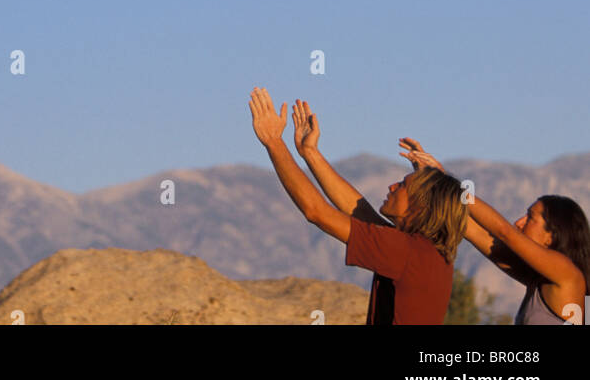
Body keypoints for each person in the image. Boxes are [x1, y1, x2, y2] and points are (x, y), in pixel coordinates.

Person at [249, 91, 466, 324]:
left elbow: (316, 211)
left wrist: (274, 142)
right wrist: (310, 153)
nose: (393, 186)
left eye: (403, 186)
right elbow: (360, 213)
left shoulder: (405, 251)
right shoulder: (427, 253)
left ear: (420, 208)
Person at [400, 137, 589, 325]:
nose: (519, 222)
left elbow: (503, 231)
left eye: (530, 217)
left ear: (551, 236)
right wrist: (434, 182)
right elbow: (473, 230)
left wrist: (445, 181)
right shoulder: (539, 279)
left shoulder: (567, 273)